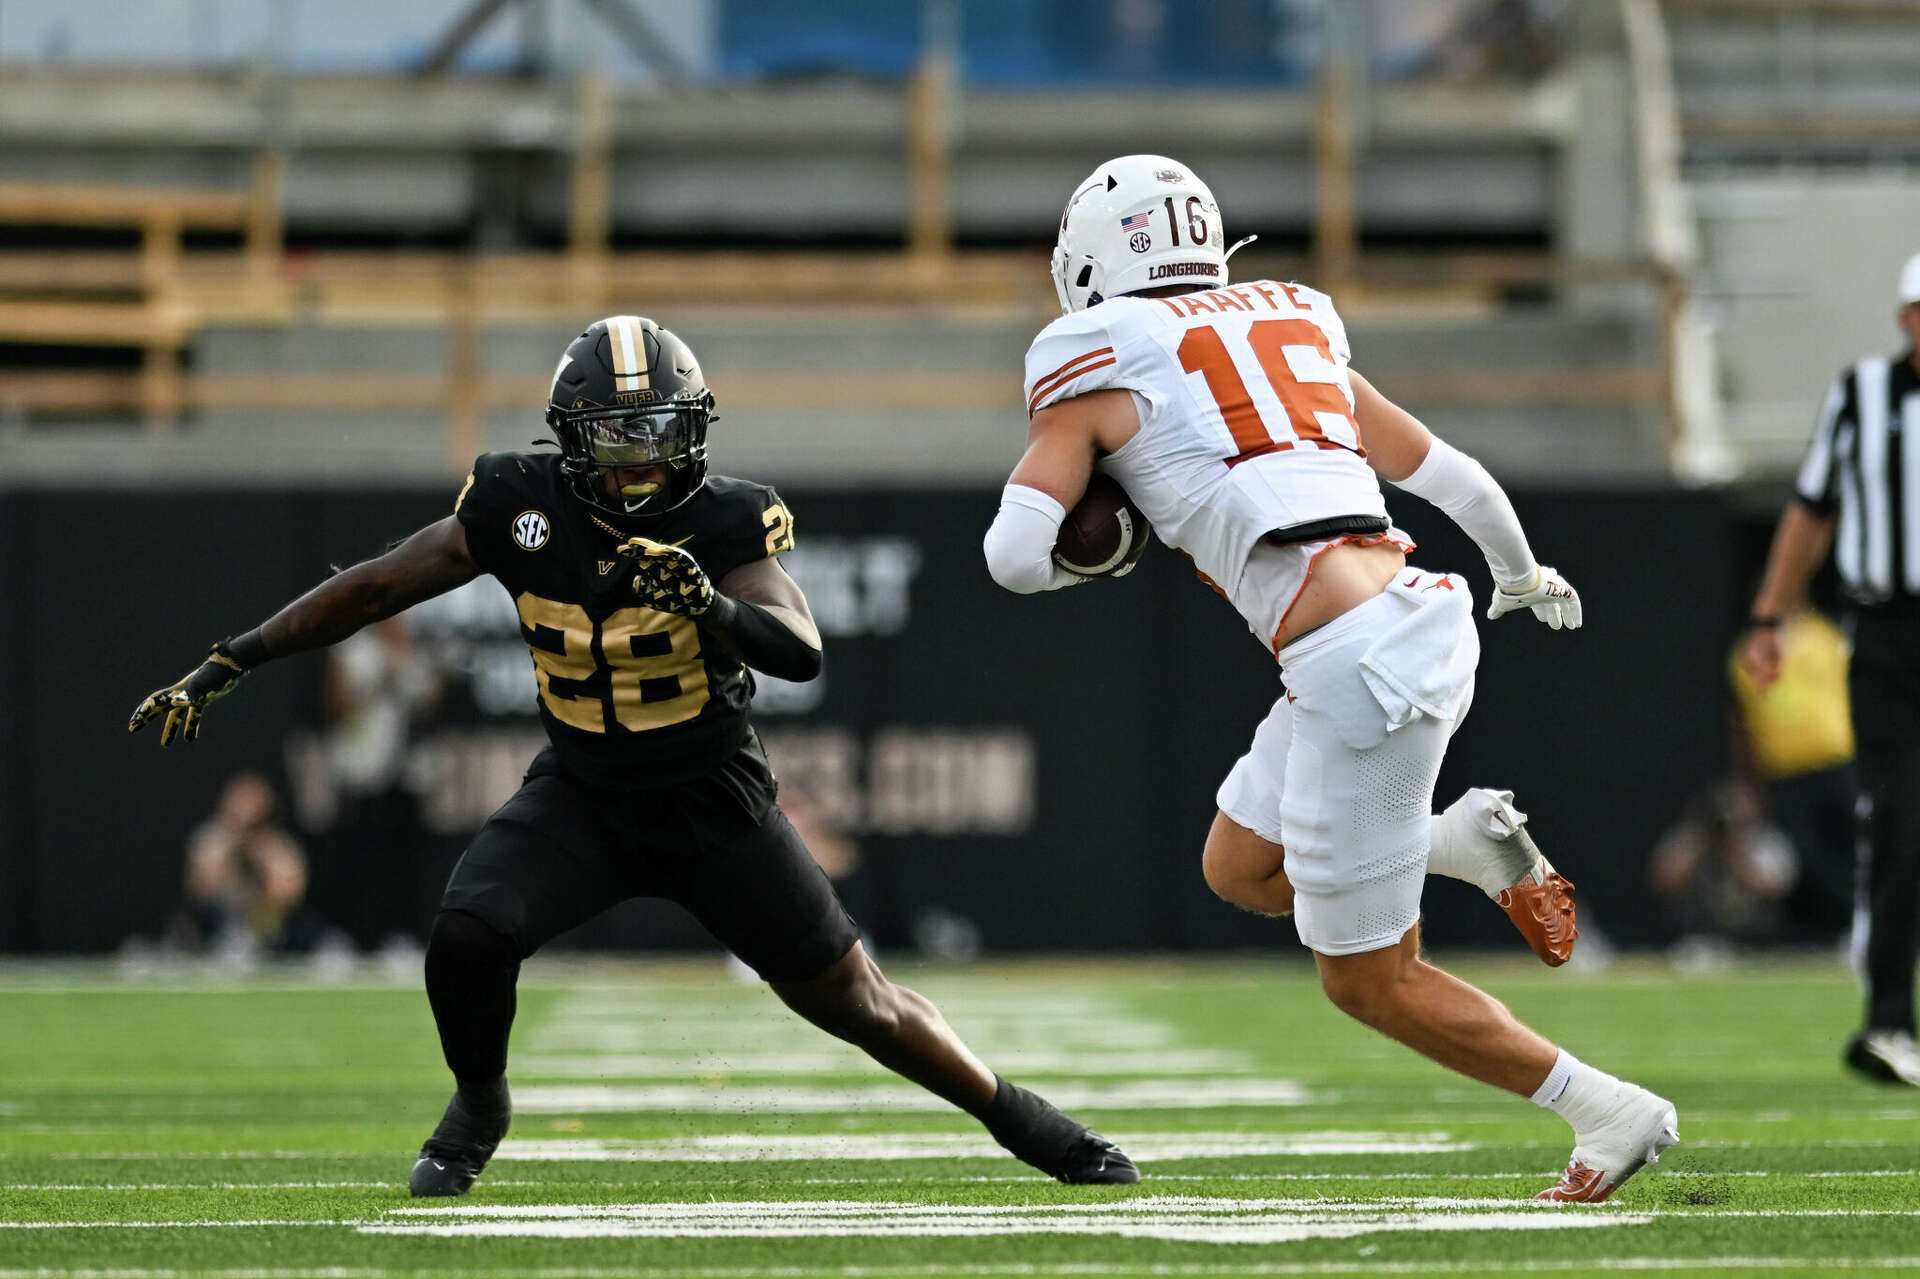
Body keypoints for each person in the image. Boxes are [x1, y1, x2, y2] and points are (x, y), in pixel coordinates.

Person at [131, 315, 1139, 1196]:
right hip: (583, 792)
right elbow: (376, 588)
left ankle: (1031, 1125)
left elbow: (800, 648)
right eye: (617, 436)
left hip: (713, 802)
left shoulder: (728, 520)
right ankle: (479, 1106)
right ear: (571, 442)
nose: (643, 456)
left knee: (858, 1000)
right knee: (468, 935)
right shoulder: (516, 506)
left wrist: (710, 600)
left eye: (660, 430)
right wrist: (231, 659)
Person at [985, 155, 1675, 1203]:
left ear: (1086, 261)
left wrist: (1103, 539)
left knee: (1369, 981)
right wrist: (1520, 573)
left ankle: (1607, 1108)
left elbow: (1013, 556)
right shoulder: (1291, 320)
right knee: (1242, 868)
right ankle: (1466, 840)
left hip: (1357, 665)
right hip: (1411, 616)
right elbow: (1449, 473)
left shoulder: (1089, 359)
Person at [1739, 251, 1920, 1087]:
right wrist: (1771, 615)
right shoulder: (1862, 396)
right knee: (1896, 817)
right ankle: (1889, 1021)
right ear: (1906, 318)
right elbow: (1810, 512)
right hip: (1885, 633)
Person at [173, 772, 312, 961]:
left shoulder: (277, 843)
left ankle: (255, 943)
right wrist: (230, 850)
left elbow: (291, 893)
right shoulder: (212, 837)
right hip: (220, 923)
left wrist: (265, 860)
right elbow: (199, 889)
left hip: (262, 926)